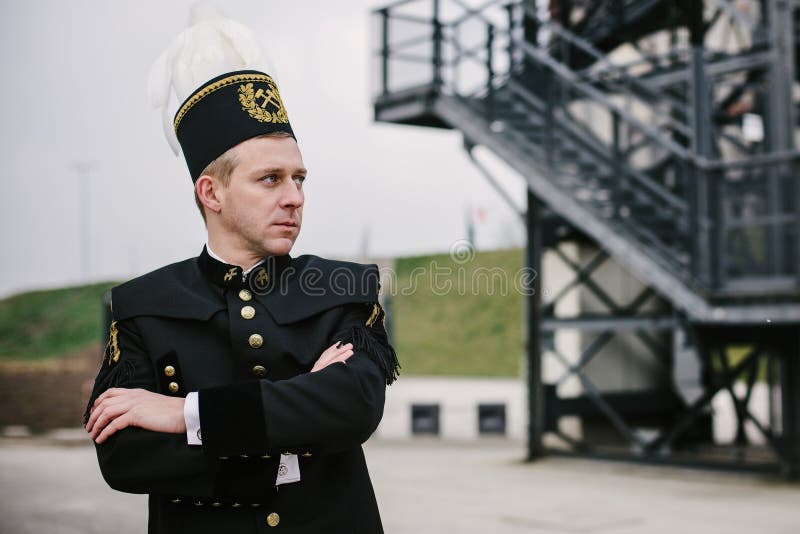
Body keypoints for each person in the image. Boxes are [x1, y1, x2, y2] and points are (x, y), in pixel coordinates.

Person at [83, 69, 399, 534]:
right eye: (271, 179)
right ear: (211, 192)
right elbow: (124, 456)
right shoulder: (141, 307)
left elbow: (353, 407)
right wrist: (292, 436)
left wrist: (186, 414)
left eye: (299, 179)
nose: (294, 198)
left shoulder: (343, 288)